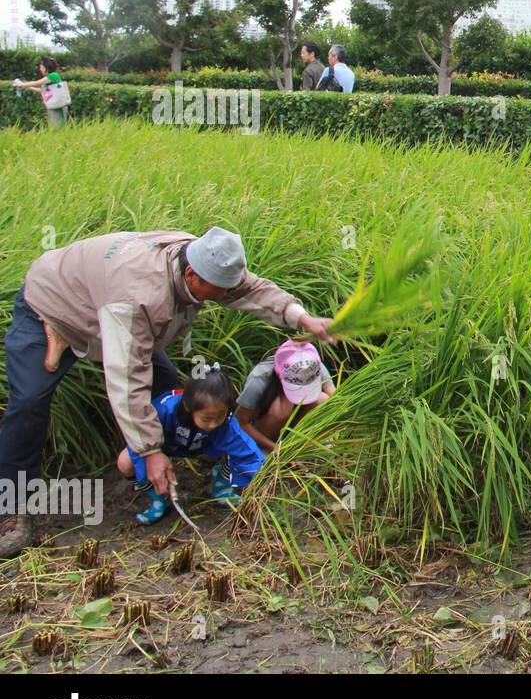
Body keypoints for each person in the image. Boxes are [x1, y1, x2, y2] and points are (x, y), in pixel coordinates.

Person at [0, 227, 335, 557]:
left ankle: (169, 473)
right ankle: (12, 508)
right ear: (192, 275)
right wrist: (149, 449)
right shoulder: (136, 299)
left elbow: (249, 289)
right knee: (29, 403)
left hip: (105, 307)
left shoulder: (202, 254)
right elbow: (127, 380)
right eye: (220, 291)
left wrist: (302, 318)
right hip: (53, 306)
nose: (226, 296)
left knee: (170, 397)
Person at [113, 364, 265, 524]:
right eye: (206, 419)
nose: (213, 424)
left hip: (204, 445)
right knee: (126, 463)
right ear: (187, 406)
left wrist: (262, 479)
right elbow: (139, 439)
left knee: (236, 449)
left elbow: (247, 453)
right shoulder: (163, 411)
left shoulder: (225, 423)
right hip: (160, 447)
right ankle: (159, 497)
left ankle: (222, 484)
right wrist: (150, 474)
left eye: (220, 416)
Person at [236, 340, 335, 453]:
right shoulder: (260, 378)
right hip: (267, 429)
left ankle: (304, 445)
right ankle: (266, 451)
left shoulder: (311, 365)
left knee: (323, 400)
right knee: (280, 408)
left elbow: (335, 400)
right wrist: (275, 447)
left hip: (296, 422)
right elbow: (241, 421)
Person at [13, 57, 71, 126]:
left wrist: (21, 84)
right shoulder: (50, 78)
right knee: (55, 127)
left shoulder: (53, 75)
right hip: (54, 106)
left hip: (58, 107)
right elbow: (42, 91)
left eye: (41, 67)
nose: (40, 69)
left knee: (58, 128)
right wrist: (26, 86)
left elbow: (36, 83)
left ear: (46, 67)